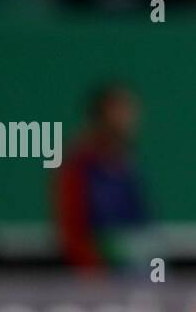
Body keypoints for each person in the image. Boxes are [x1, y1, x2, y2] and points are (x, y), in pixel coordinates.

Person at [54, 81, 149, 271]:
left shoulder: (127, 166)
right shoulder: (78, 164)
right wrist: (94, 275)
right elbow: (72, 232)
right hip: (95, 281)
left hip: (133, 274)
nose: (128, 118)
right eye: (119, 111)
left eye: (129, 110)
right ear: (102, 116)